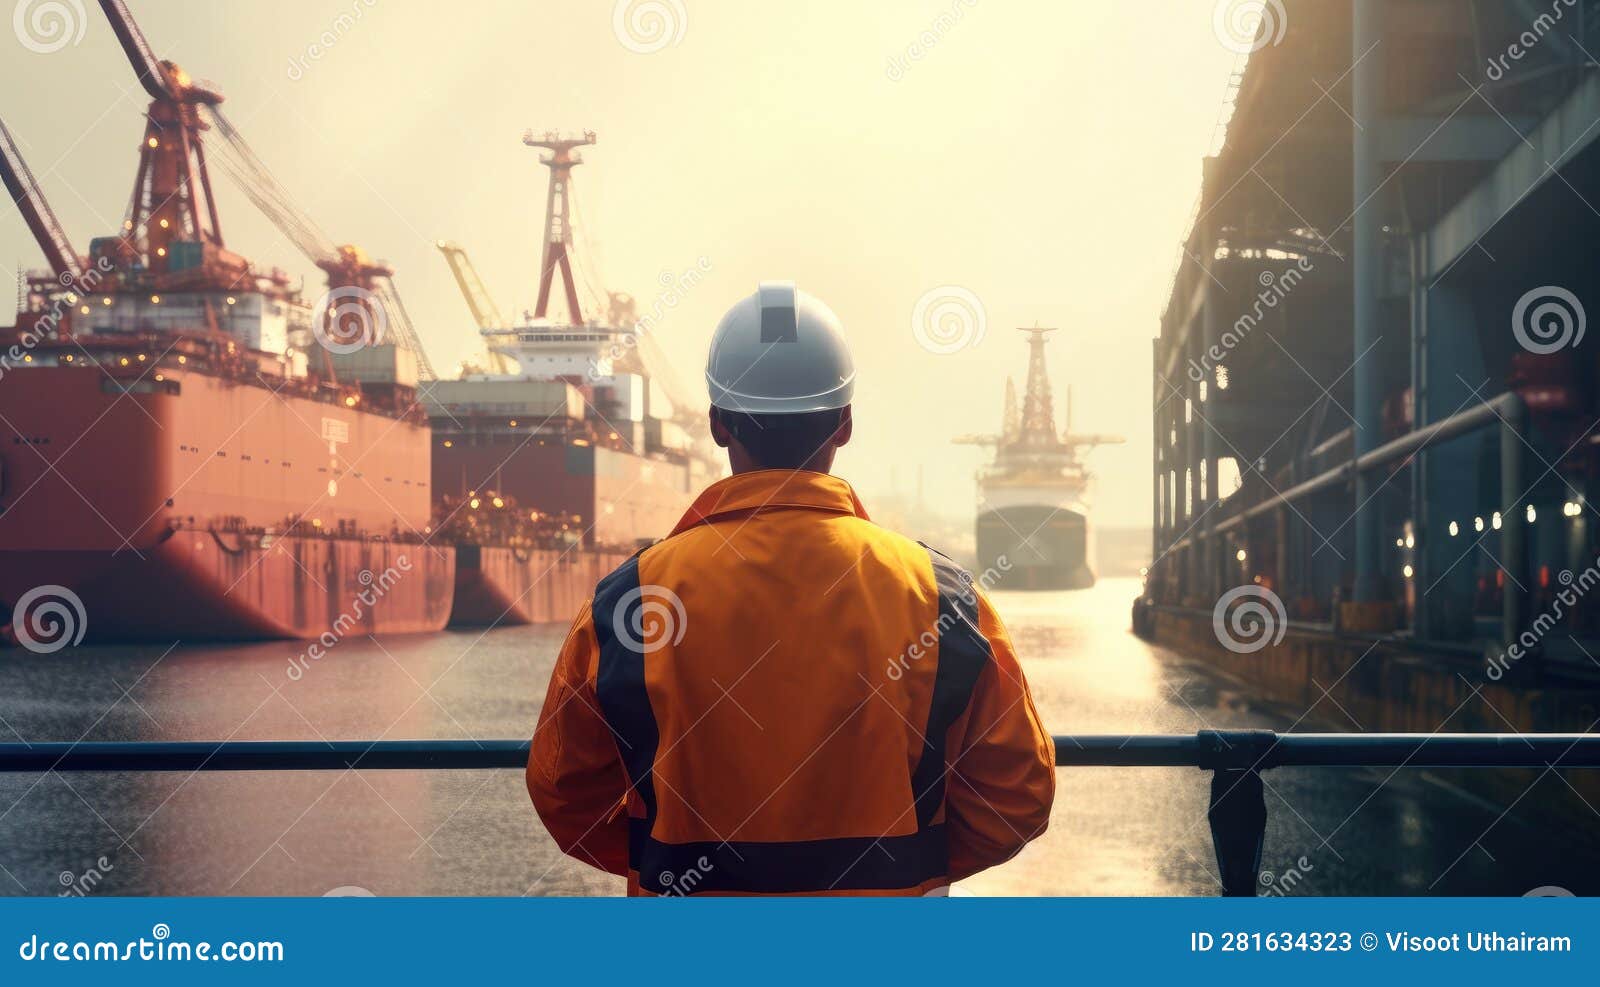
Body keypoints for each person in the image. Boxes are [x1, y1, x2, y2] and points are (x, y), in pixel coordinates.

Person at [526, 281, 1055, 895]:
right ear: (845, 425)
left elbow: (564, 792)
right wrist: (915, 862)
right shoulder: (941, 598)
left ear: (718, 425)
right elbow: (1017, 796)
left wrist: (660, 864)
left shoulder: (629, 602)